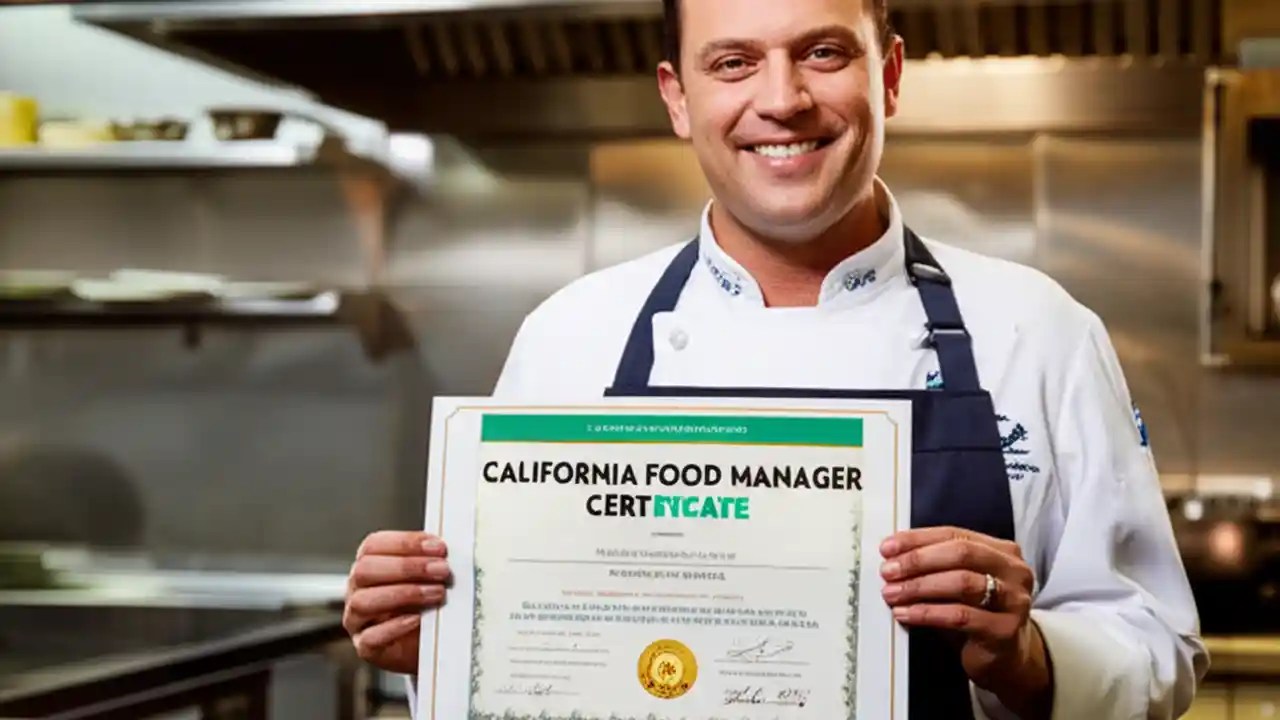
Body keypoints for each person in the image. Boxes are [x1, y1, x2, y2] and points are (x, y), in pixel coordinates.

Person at [343, 0, 1209, 716]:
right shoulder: (570, 337)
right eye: (733, 63)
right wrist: (441, 641)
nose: (783, 99)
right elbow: (521, 670)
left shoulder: (1038, 330)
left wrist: (1028, 657)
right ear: (678, 99)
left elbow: (1157, 655)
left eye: (823, 53)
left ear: (890, 74)